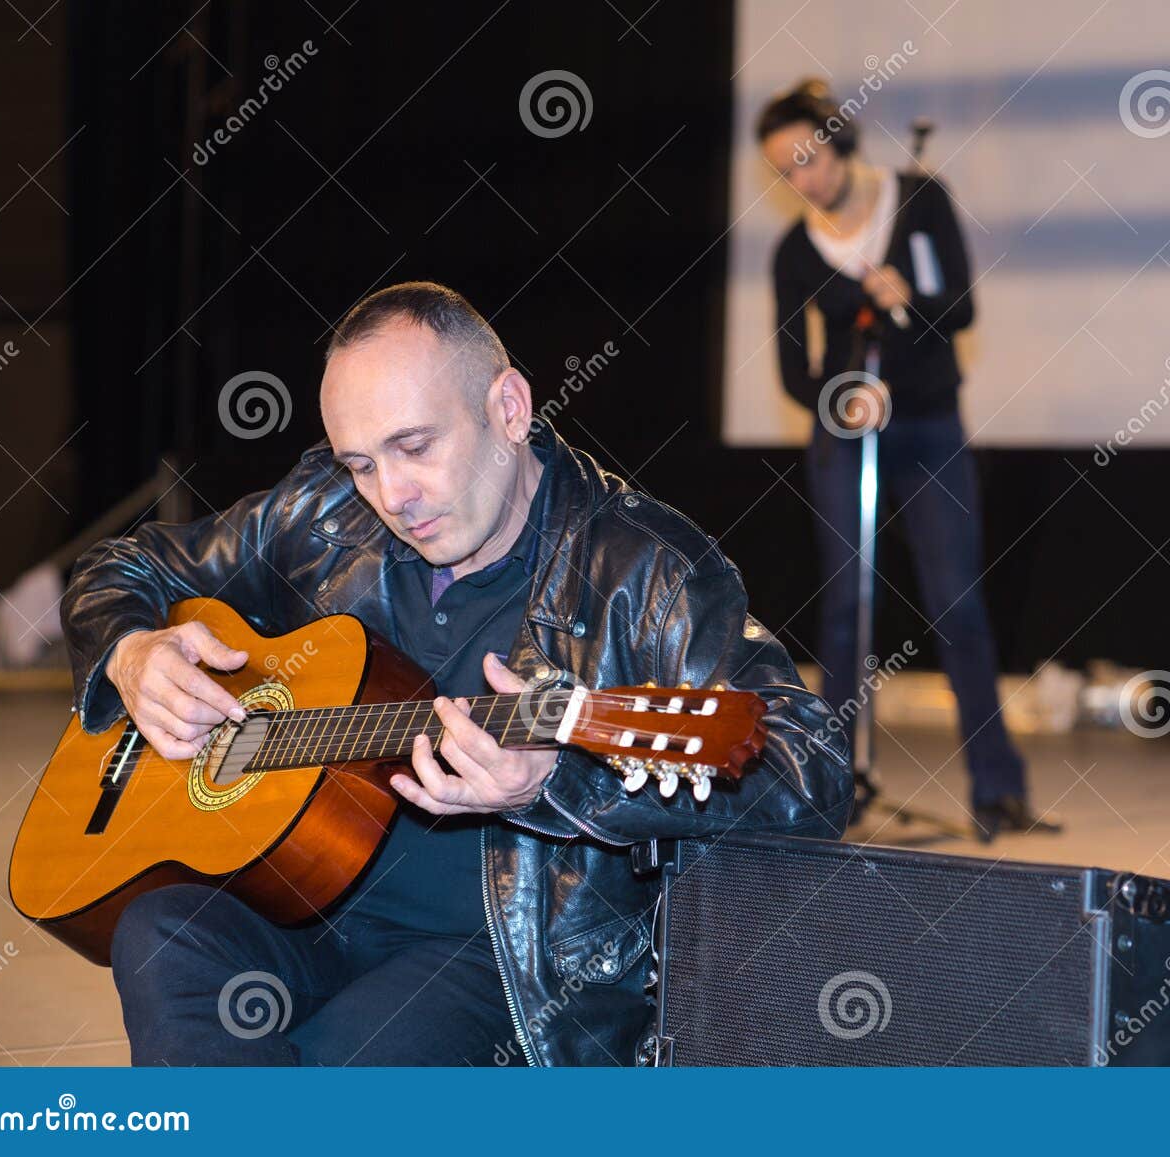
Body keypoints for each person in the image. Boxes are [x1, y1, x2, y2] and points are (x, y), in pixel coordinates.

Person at [60, 280, 853, 1066]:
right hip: (299, 903)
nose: (391, 496)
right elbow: (126, 567)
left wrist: (557, 783)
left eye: (415, 447)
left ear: (508, 408)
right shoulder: (326, 512)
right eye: (361, 463)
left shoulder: (645, 571)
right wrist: (131, 650)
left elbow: (807, 769)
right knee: (161, 932)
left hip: (497, 955)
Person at [756, 79, 1058, 843]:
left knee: (957, 603)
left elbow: (962, 309)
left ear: (838, 139)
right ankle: (835, 784)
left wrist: (911, 303)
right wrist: (841, 398)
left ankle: (998, 788)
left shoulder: (920, 199)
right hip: (844, 439)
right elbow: (796, 370)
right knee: (846, 611)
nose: (803, 180)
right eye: (785, 171)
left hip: (927, 427)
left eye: (807, 158)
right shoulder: (796, 251)